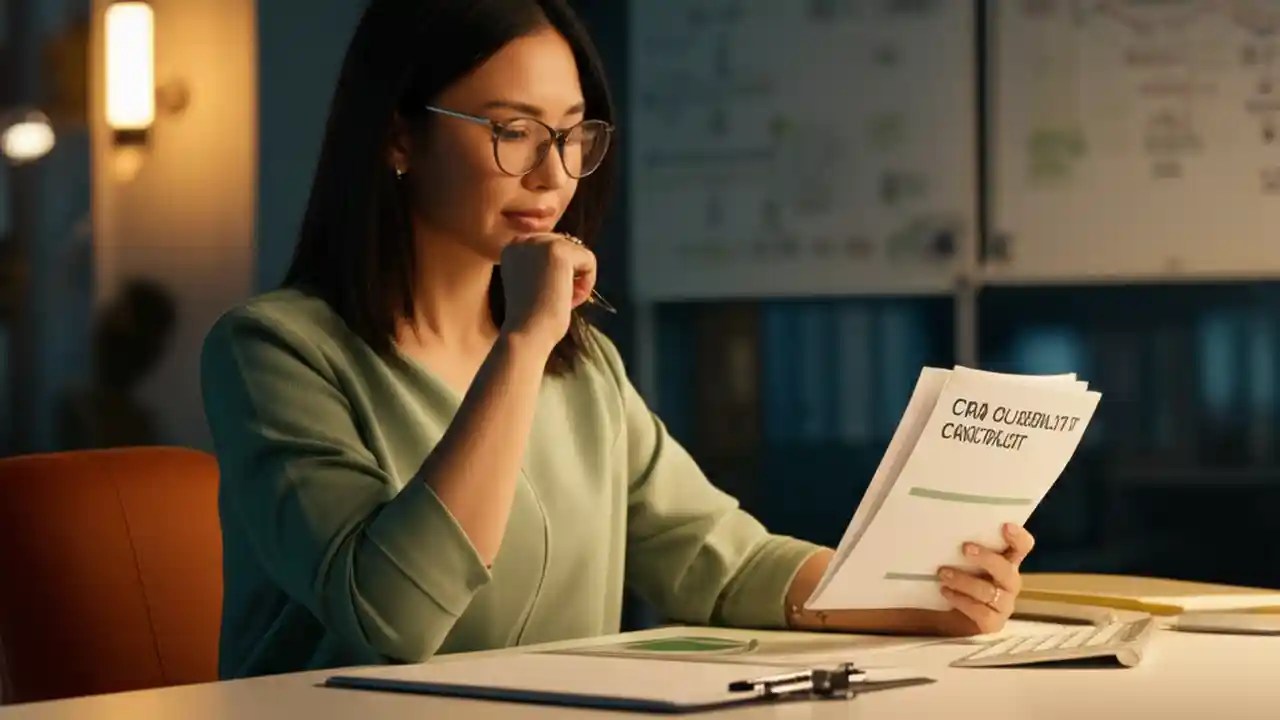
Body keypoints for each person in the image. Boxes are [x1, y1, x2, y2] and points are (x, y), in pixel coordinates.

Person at [201, 0, 1035, 680]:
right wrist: (523, 343)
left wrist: (916, 594)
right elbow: (396, 616)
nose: (553, 173)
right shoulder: (275, 351)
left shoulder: (583, 365)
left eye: (572, 134)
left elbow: (720, 561)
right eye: (512, 129)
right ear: (397, 136)